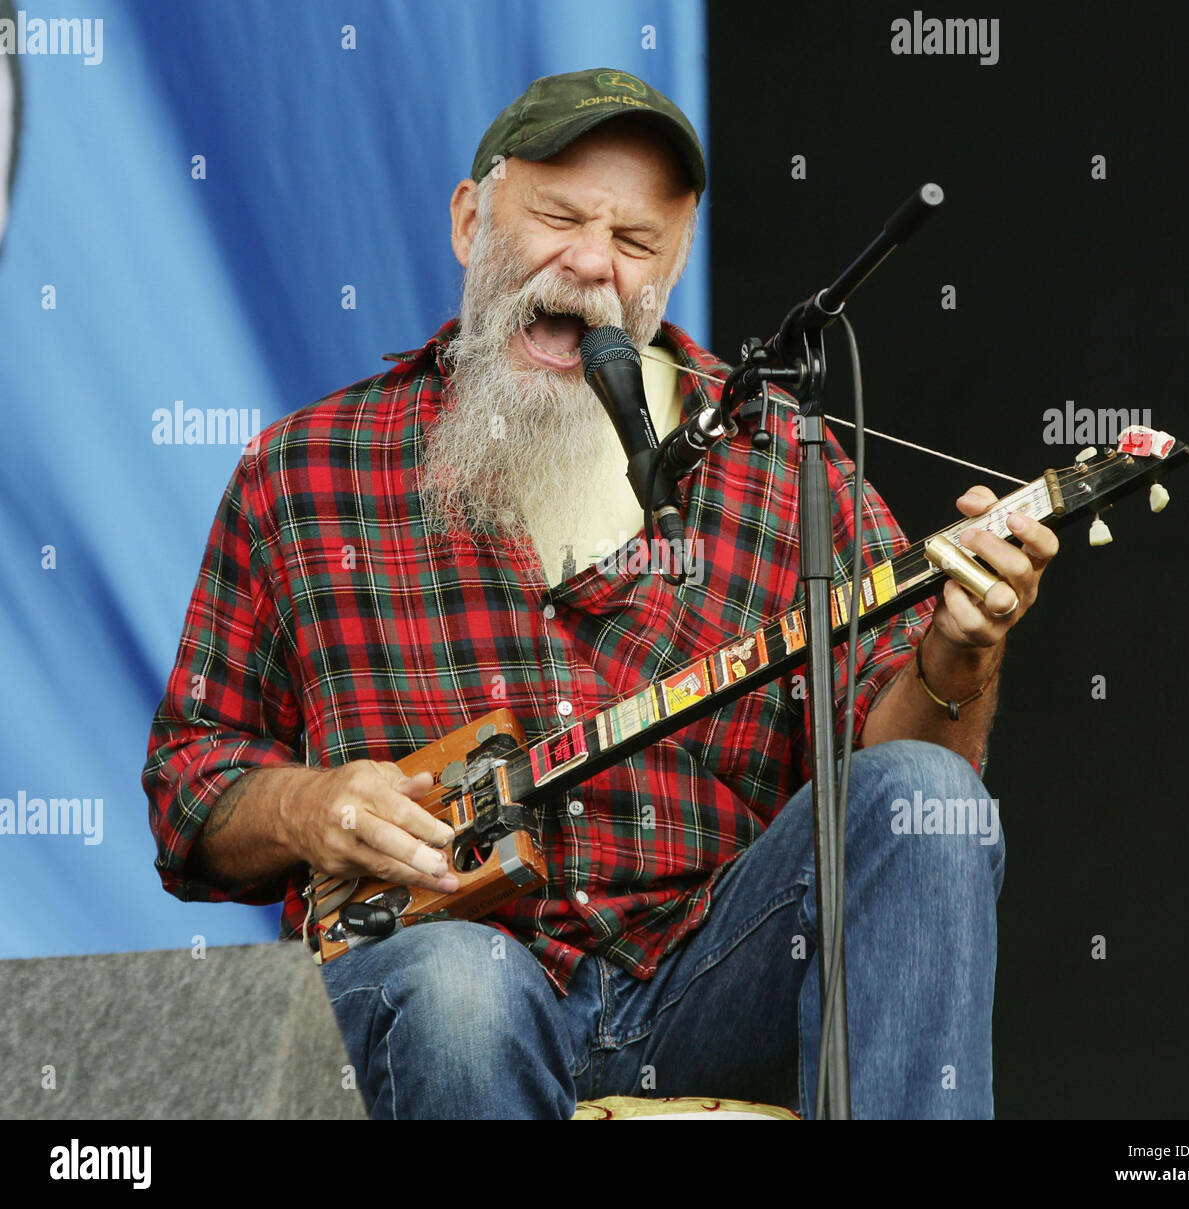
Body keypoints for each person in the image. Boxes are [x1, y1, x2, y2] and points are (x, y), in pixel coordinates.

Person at [143, 68, 1058, 1120]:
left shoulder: (783, 469)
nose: (589, 266)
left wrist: (960, 654)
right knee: (460, 983)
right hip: (439, 987)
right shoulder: (306, 472)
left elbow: (891, 813)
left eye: (634, 244)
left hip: (701, 989)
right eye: (560, 217)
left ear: (673, 265)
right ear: (468, 217)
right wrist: (312, 806)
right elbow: (188, 783)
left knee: (928, 804)